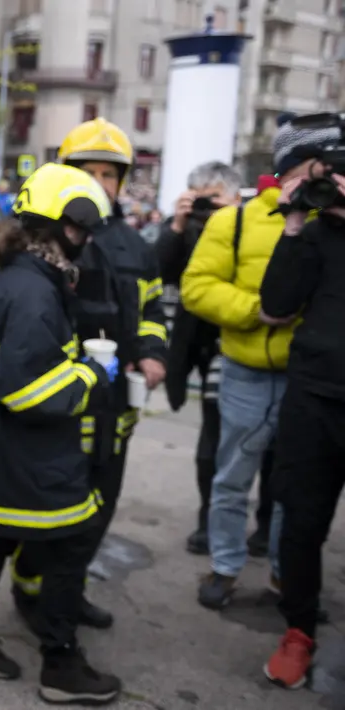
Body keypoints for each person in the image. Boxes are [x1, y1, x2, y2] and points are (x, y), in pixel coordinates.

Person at [0, 117, 169, 630]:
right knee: (55, 521)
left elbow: (149, 312)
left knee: (92, 512)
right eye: (88, 172)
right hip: (63, 405)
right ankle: (43, 608)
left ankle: (59, 599)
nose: (101, 182)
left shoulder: (134, 249)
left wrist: (150, 353)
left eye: (110, 174)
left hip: (108, 410)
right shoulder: (34, 257)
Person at [0, 163, 121, 705]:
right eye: (84, 231)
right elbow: (25, 391)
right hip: (30, 458)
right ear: (65, 227)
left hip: (4, 454)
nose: (88, 243)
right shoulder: (35, 293)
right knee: (69, 544)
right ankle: (60, 663)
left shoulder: (20, 276)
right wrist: (91, 375)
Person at [180, 120, 334, 610]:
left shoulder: (333, 221)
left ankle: (286, 575)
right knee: (231, 478)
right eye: (319, 164)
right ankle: (226, 566)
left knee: (295, 486)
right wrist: (256, 311)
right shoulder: (236, 220)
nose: (327, 174)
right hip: (244, 373)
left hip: (308, 379)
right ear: (290, 167)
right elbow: (197, 288)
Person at [156, 162, 276, 557]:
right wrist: (178, 226)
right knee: (214, 441)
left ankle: (265, 527)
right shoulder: (186, 230)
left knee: (270, 445)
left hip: (251, 345)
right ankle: (211, 519)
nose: (208, 206)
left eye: (215, 198)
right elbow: (158, 272)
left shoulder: (252, 227)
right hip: (203, 350)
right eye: (199, 197)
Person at [259, 156, 345, 690]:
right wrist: (293, 221)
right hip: (315, 397)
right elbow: (275, 305)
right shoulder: (317, 233)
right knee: (301, 520)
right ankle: (298, 631)